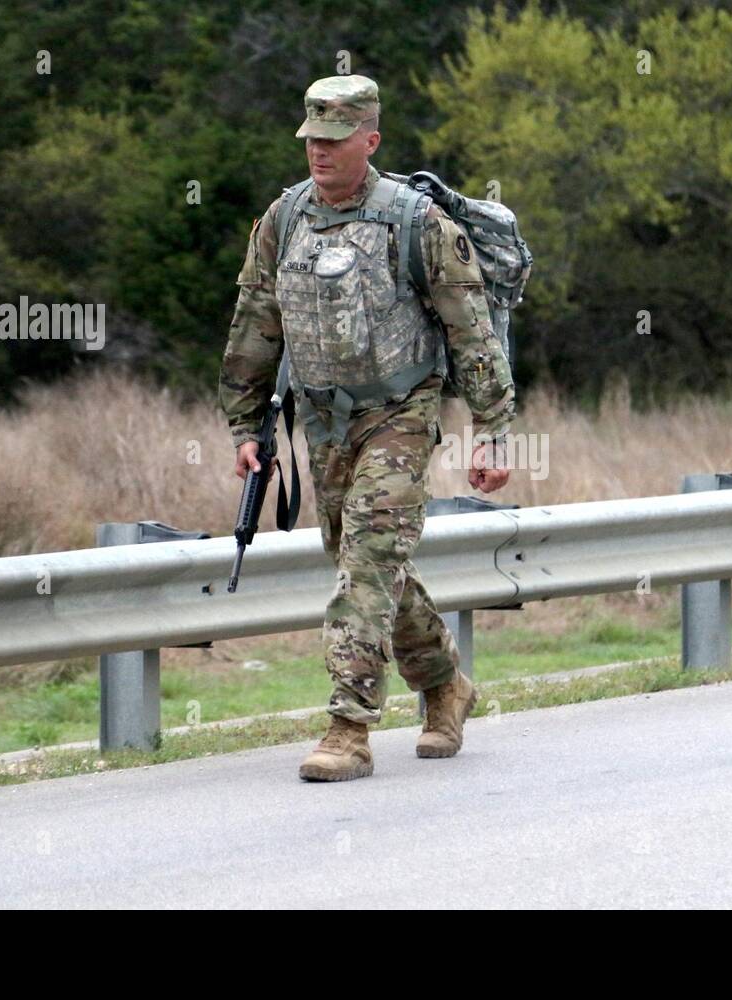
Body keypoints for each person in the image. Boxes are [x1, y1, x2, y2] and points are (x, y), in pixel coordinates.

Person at [218, 74, 516, 782]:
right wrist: (246, 426)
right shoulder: (283, 220)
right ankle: (445, 684)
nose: (319, 151)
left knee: (366, 564)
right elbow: (255, 325)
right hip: (323, 421)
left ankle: (348, 727)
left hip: (401, 413)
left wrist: (492, 429)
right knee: (365, 562)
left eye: (334, 138)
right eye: (311, 139)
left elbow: (471, 332)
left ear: (370, 140)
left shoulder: (417, 223)